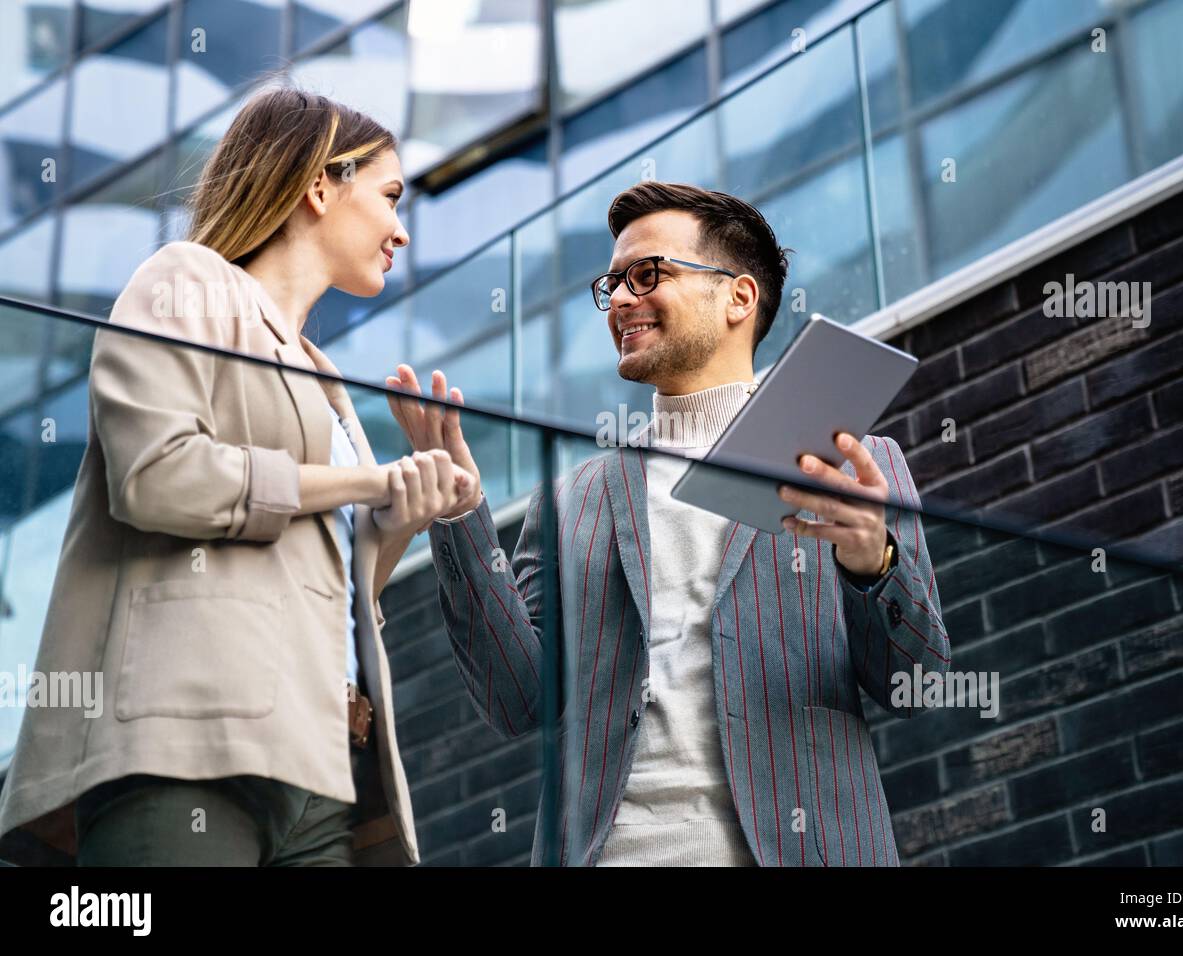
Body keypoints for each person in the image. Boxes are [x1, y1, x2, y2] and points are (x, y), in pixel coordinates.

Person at [386, 182, 949, 866]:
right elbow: (516, 699)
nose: (620, 299)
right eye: (613, 283)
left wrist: (873, 561)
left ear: (739, 297)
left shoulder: (853, 462)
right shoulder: (573, 500)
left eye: (648, 274)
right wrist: (458, 513)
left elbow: (915, 682)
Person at [0, 87, 475, 866]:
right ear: (321, 185)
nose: (402, 229)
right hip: (186, 743)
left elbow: (320, 581)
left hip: (323, 773)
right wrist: (363, 485)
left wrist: (396, 524)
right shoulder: (186, 281)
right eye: (390, 196)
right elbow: (159, 478)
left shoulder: (328, 382)